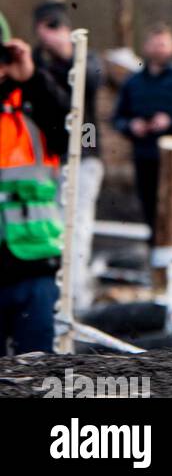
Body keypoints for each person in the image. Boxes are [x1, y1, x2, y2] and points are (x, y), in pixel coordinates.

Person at [31, 2, 104, 310]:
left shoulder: (84, 58)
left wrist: (66, 52)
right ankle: (59, 295)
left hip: (84, 157)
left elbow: (91, 78)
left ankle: (76, 298)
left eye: (57, 27)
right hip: (49, 160)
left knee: (77, 225)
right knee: (54, 225)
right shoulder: (36, 64)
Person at [0, 25, 67, 354]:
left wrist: (31, 76)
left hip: (34, 265)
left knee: (38, 373)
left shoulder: (33, 100)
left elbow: (72, 132)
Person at [111, 23, 172, 238]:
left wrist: (171, 123)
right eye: (155, 44)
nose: (159, 49)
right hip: (143, 158)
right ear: (146, 47)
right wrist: (131, 126)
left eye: (163, 45)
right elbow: (117, 119)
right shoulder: (132, 82)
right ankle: (156, 264)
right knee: (150, 214)